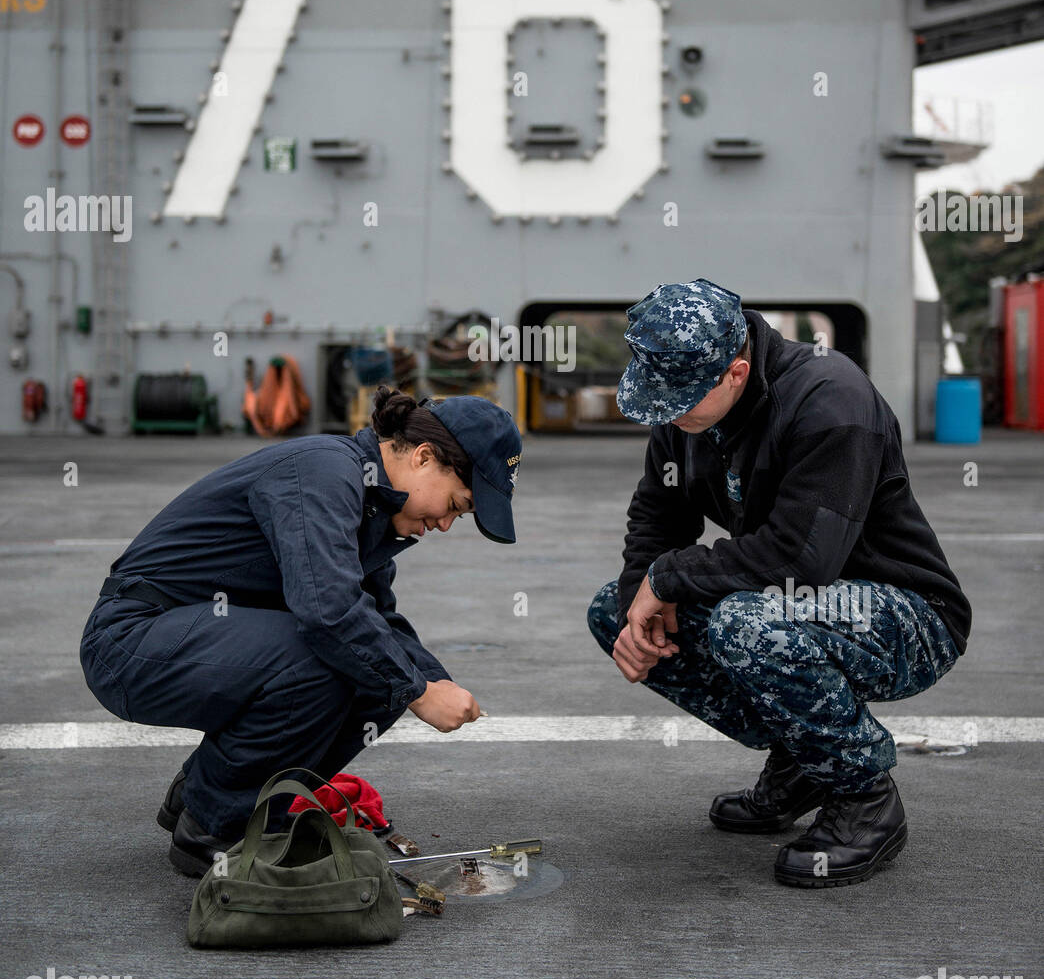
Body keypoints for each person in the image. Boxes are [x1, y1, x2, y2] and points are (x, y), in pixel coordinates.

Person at [588, 279, 971, 889]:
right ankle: (805, 758)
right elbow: (660, 515)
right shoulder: (687, 411)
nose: (667, 414)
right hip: (793, 605)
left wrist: (668, 576)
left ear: (736, 371)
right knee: (615, 610)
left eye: (680, 400)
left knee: (751, 622)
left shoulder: (830, 398)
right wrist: (644, 594)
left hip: (910, 615)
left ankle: (865, 799)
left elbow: (802, 558)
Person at [79, 386, 522, 876]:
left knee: (378, 676)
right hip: (131, 640)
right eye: (458, 505)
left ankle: (204, 794)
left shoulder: (371, 506)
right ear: (423, 457)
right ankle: (211, 829)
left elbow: (378, 623)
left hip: (187, 637)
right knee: (332, 659)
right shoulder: (324, 472)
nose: (444, 524)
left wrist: (433, 681)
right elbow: (328, 611)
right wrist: (418, 691)